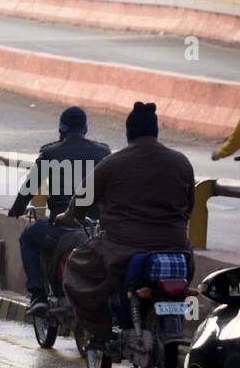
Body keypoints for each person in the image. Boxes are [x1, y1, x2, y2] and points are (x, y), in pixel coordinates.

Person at [63, 103, 196, 345]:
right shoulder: (181, 162)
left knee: (75, 268)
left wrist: (68, 215)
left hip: (123, 247)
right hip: (177, 246)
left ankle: (99, 334)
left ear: (128, 133)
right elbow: (189, 207)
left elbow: (81, 202)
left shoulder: (113, 163)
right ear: (156, 131)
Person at [7, 106, 111, 314]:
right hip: (94, 228)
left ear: (61, 130)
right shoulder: (103, 152)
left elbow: (29, 187)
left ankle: (38, 295)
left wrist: (16, 209)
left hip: (60, 227)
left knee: (28, 238)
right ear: (85, 129)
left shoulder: (50, 153)